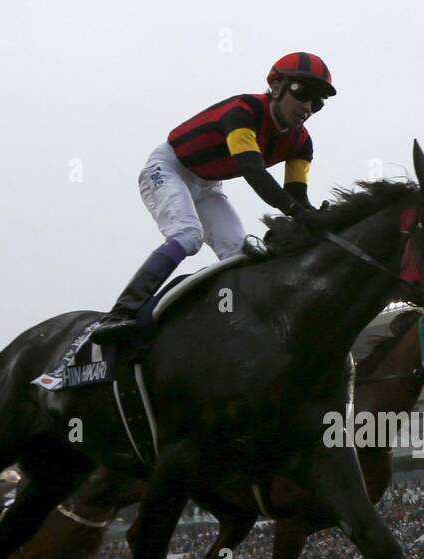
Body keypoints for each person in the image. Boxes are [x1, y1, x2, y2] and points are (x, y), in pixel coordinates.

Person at [92, 53, 336, 347]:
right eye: (302, 93)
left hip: (207, 186)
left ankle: (231, 318)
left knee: (238, 255)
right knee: (187, 235)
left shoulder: (302, 143)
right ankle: (121, 312)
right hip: (169, 168)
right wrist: (298, 212)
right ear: (276, 87)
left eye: (317, 102)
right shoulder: (243, 112)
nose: (307, 107)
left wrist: (316, 217)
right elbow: (253, 171)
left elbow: (297, 196)